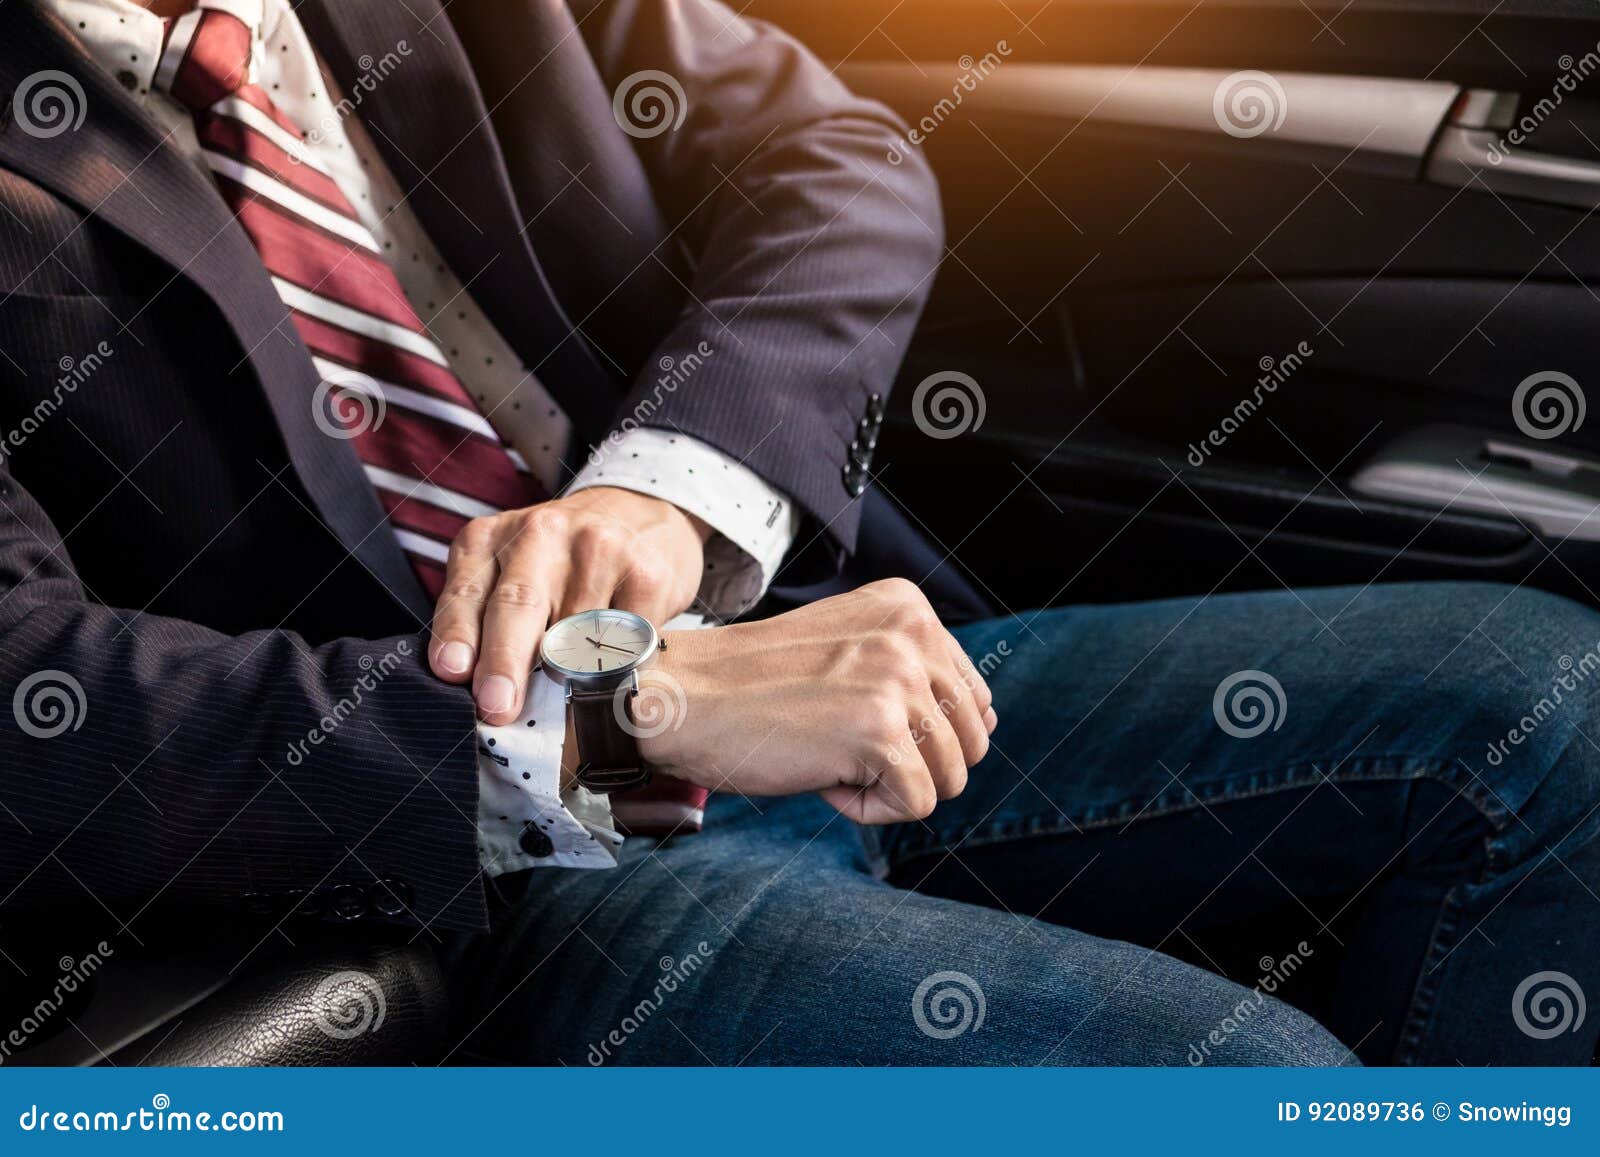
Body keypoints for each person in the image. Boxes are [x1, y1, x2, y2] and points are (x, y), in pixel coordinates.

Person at [0, 0, 1595, 1067]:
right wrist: (624, 719)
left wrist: (670, 489)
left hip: (792, 655)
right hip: (485, 853)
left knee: (1546, 705)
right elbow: (29, 705)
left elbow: (831, 156)